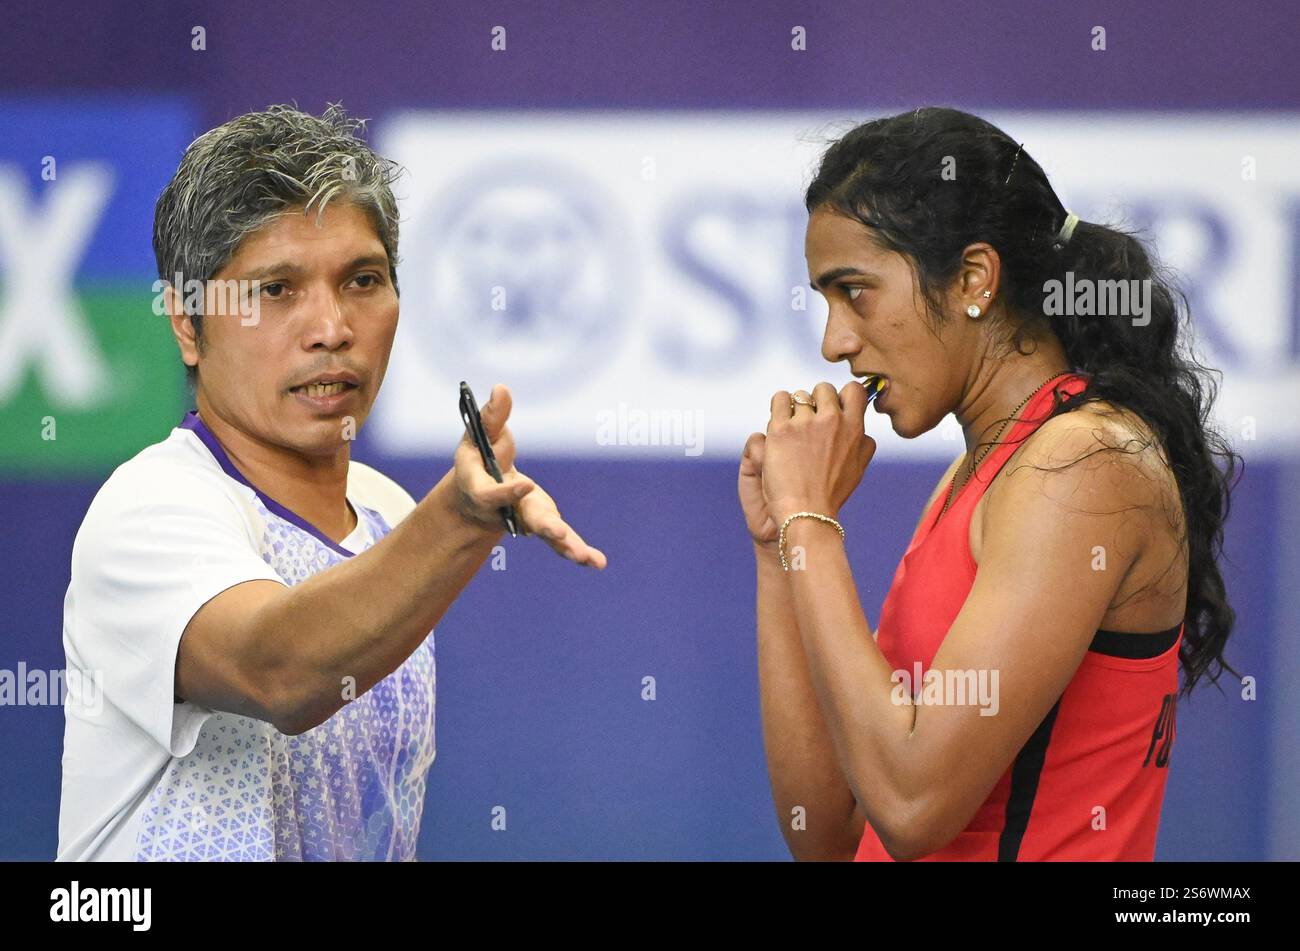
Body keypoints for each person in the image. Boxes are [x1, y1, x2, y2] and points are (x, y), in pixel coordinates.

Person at [57, 104, 606, 862]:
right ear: (188, 323)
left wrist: (448, 521)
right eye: (276, 289)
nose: (331, 327)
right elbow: (278, 668)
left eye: (362, 280)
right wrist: (459, 520)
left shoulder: (387, 512)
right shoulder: (148, 507)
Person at [740, 106, 1239, 861]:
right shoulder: (984, 469)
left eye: (855, 291)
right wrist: (782, 544)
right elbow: (833, 833)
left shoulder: (1082, 466)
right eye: (825, 301)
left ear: (974, 277)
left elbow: (911, 805)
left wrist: (812, 518)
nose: (834, 342)